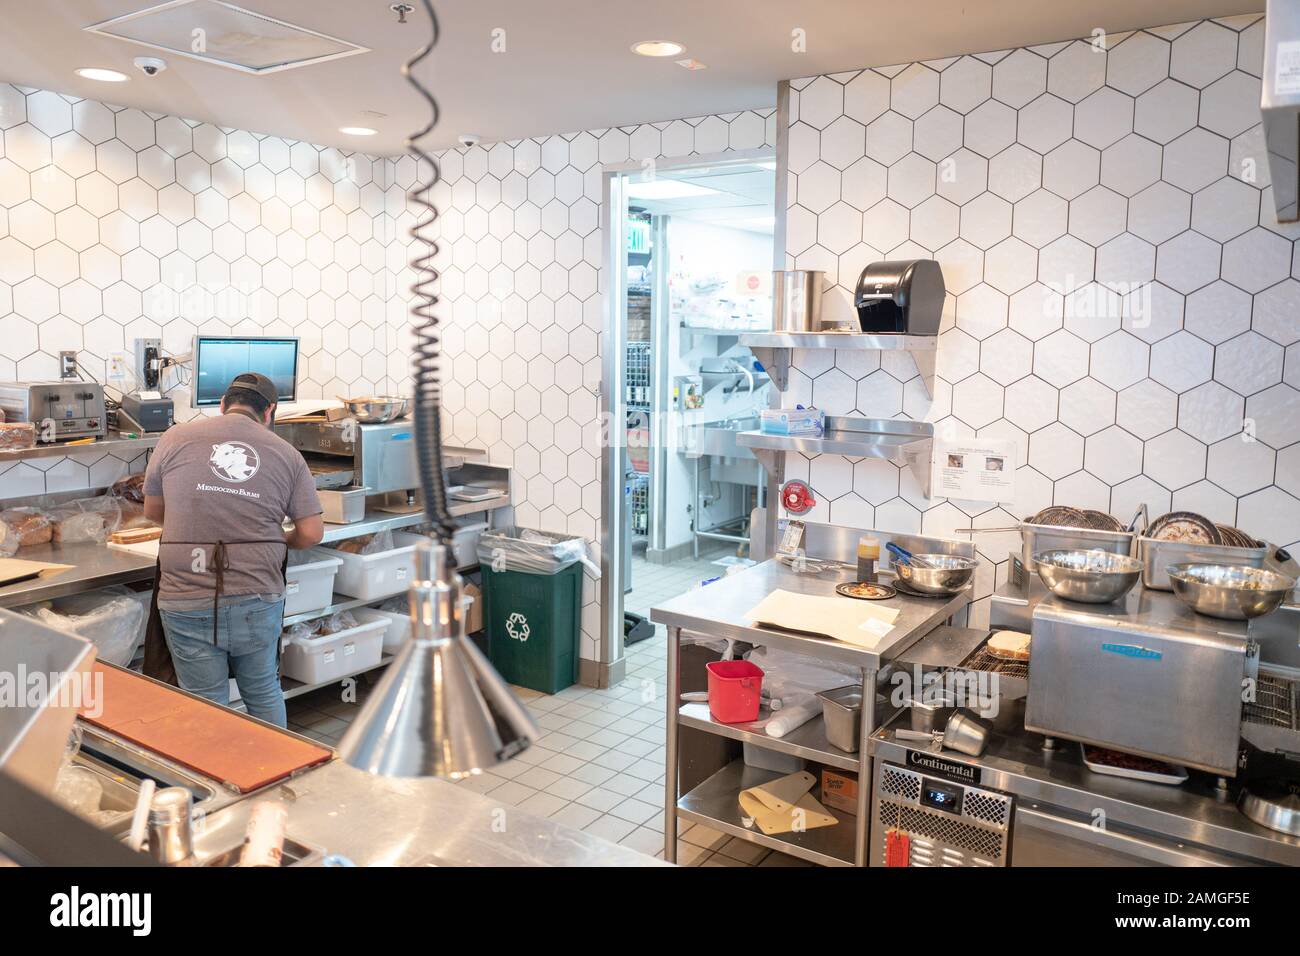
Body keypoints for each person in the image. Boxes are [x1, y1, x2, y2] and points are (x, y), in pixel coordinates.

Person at [142, 372, 324, 726]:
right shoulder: (287, 454)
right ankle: (272, 771)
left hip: (185, 595)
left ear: (223, 405)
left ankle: (216, 776)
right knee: (263, 690)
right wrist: (279, 539)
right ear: (269, 411)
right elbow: (311, 532)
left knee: (206, 704)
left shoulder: (175, 436)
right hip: (256, 593)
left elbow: (153, 511)